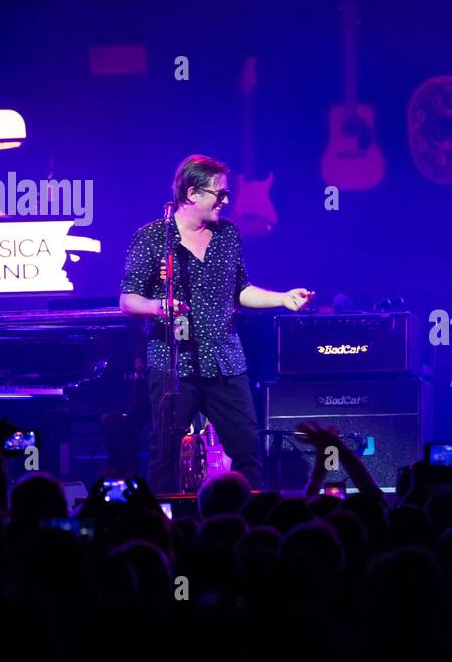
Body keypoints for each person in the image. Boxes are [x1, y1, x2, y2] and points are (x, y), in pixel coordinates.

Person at [120, 154, 314, 492]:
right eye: (219, 193)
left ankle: (248, 523)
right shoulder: (152, 238)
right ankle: (168, 525)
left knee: (247, 449)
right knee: (164, 453)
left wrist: (283, 298)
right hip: (172, 365)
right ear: (192, 194)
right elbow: (128, 299)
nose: (226, 200)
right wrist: (157, 306)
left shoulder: (228, 235)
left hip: (226, 361)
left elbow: (242, 291)